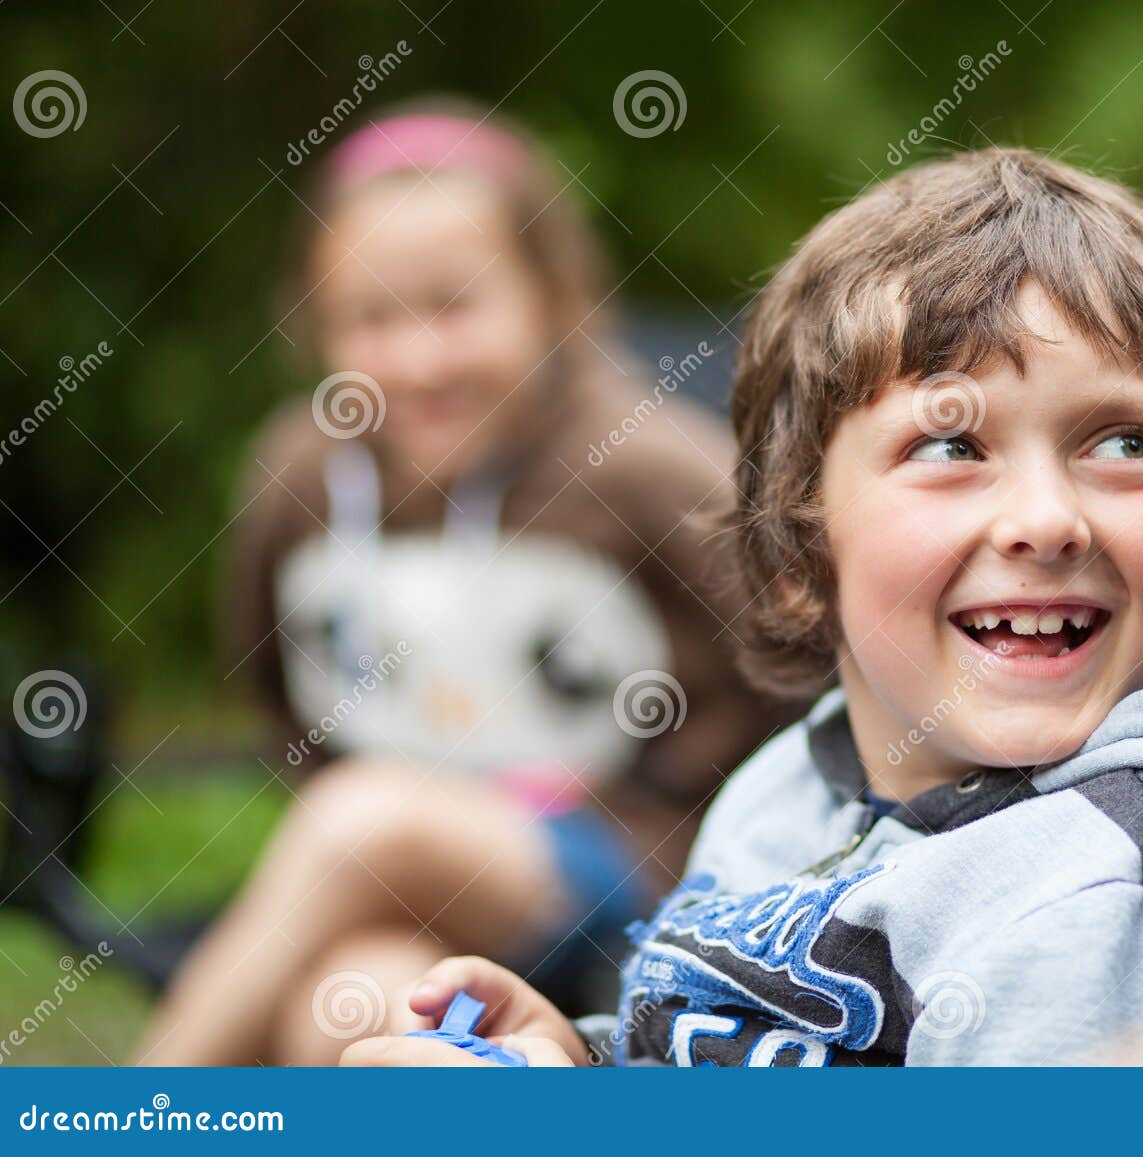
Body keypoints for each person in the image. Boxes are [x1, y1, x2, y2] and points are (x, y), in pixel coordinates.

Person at [341, 146, 1143, 1067]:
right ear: (796, 555)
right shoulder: (790, 786)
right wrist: (576, 1060)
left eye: (1123, 442)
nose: (1048, 520)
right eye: (951, 447)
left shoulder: (1132, 907)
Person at [136, 99, 787, 1066]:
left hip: (638, 870)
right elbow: (278, 684)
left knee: (365, 818)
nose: (419, 357)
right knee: (346, 1003)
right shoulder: (298, 479)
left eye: (456, 304)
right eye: (373, 317)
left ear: (555, 300)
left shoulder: (651, 471)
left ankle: (123, 1107)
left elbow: (798, 669)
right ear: (319, 328)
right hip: (412, 890)